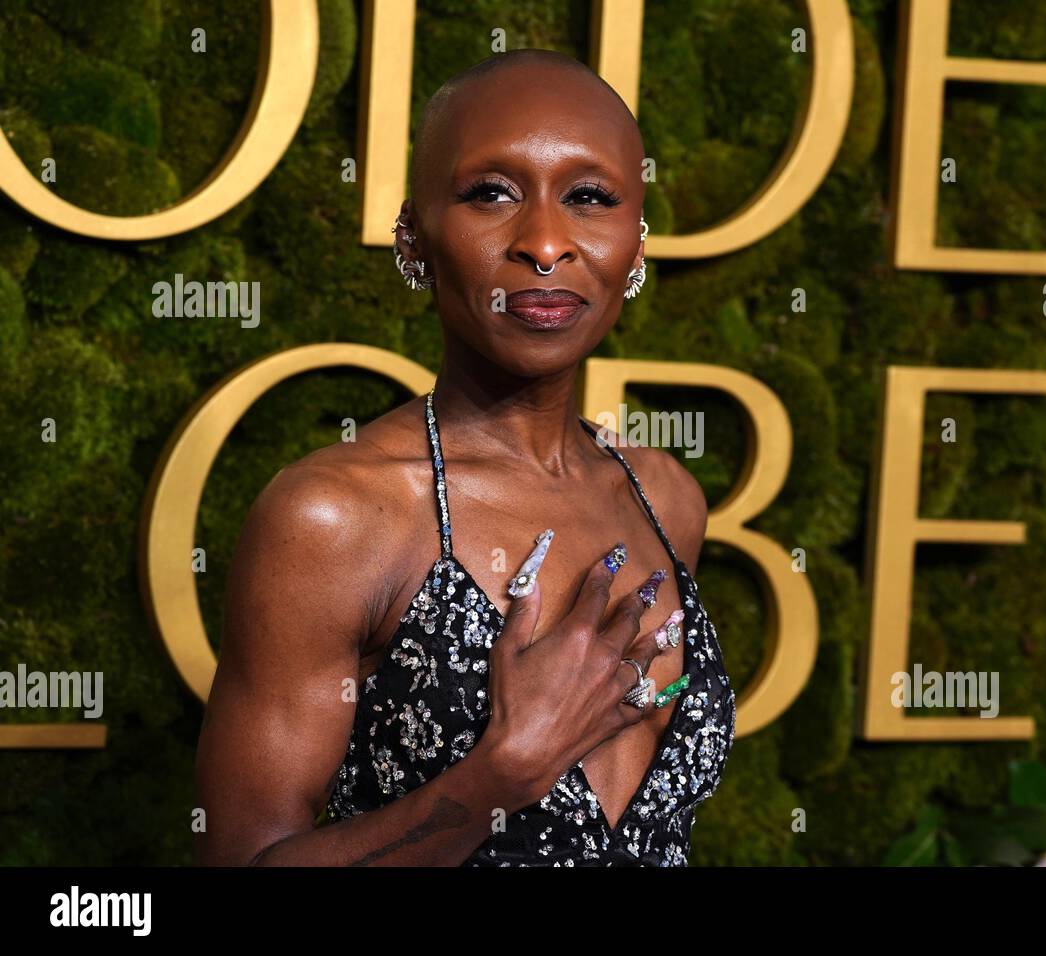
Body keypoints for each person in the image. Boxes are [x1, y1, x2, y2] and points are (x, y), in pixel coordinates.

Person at [194, 48, 736, 866]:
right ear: (416, 238)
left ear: (637, 244)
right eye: (492, 193)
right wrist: (498, 777)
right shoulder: (339, 517)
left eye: (589, 197)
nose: (546, 243)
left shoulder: (667, 497)